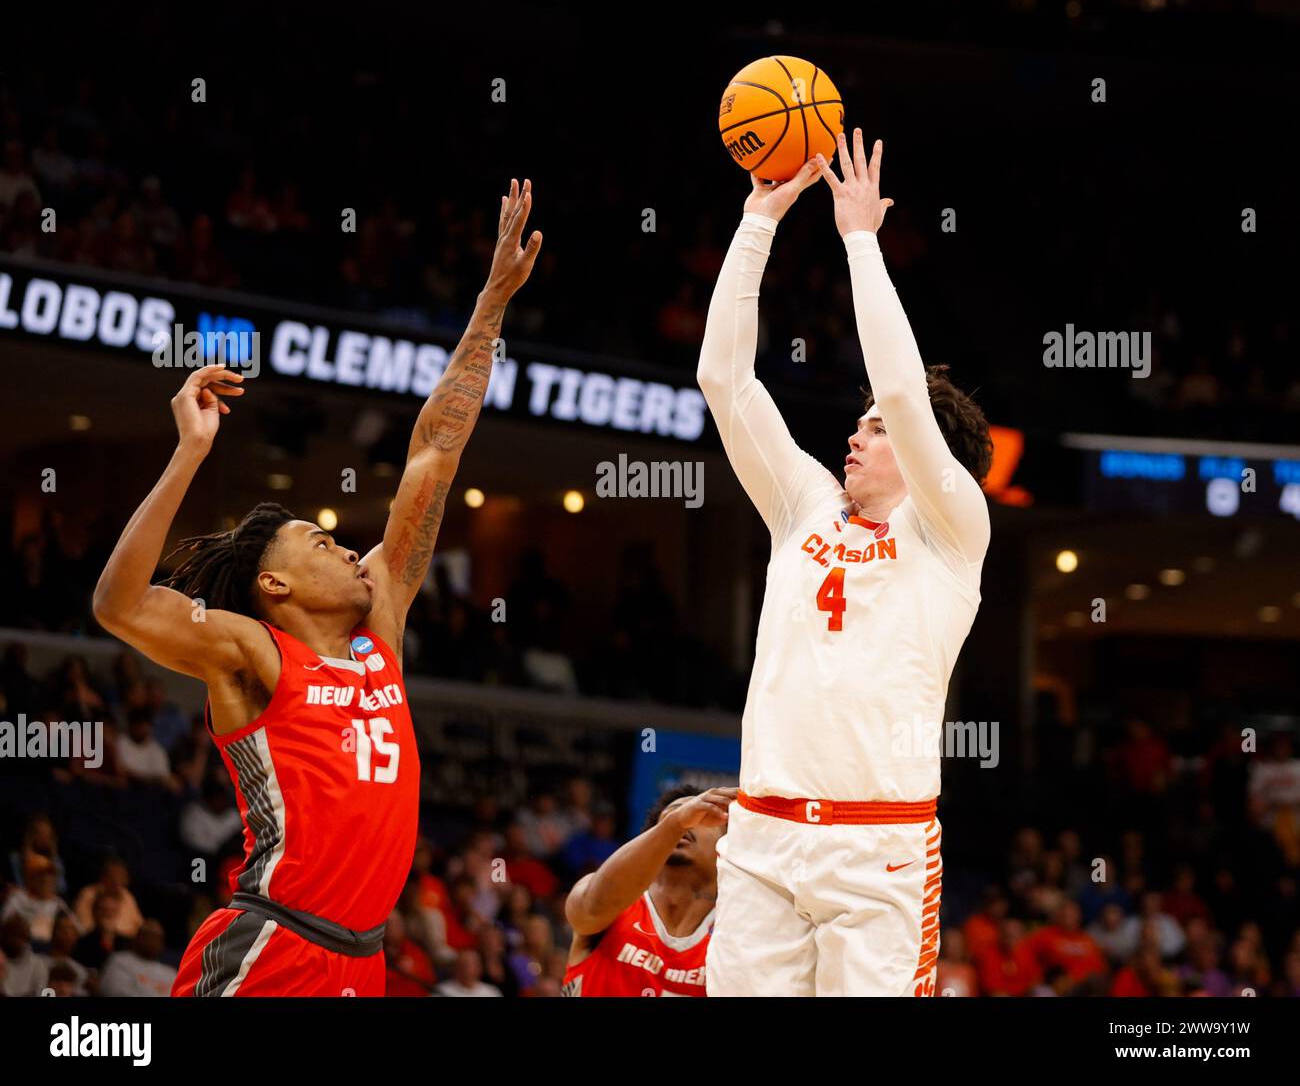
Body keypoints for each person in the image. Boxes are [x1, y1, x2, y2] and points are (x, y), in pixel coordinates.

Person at [91, 181, 542, 997]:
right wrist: (189, 454)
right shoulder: (255, 653)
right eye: (321, 543)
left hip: (361, 958)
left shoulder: (384, 631)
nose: (346, 550)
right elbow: (118, 606)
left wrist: (490, 305)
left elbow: (433, 455)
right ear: (273, 583)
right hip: (274, 945)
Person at [697, 131, 992, 996]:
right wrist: (756, 221)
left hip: (879, 850)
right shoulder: (805, 508)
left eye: (873, 432)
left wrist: (859, 238)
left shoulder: (952, 529)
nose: (855, 436)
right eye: (857, 427)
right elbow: (725, 378)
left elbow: (902, 394)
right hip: (762, 840)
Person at [563, 785, 734, 997]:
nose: (687, 818)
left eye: (703, 815)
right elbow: (588, 911)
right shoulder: (611, 896)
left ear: (726, 843)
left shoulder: (735, 927)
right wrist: (676, 822)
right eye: (671, 814)